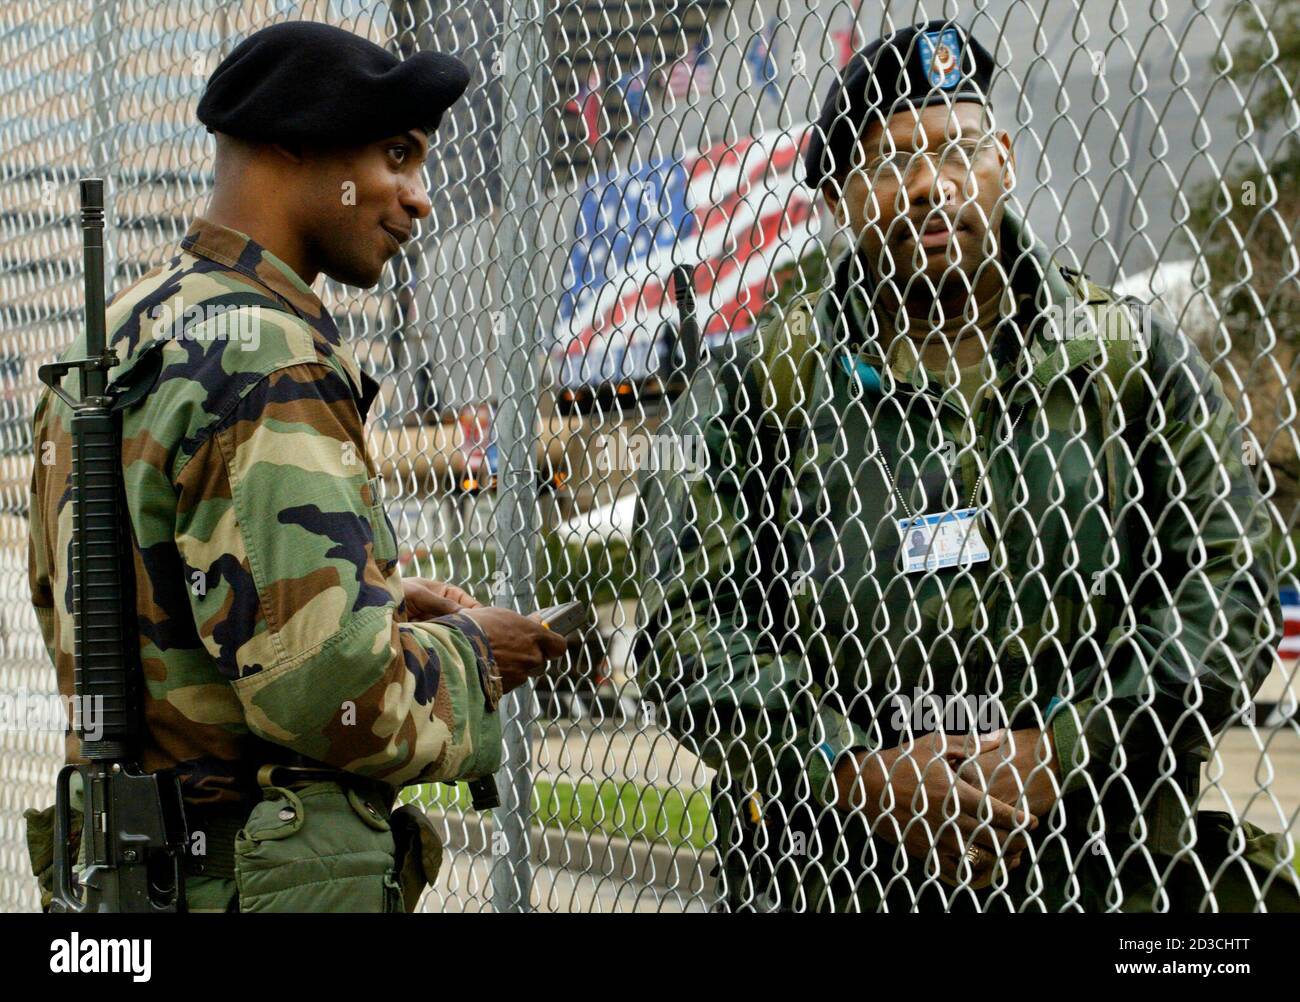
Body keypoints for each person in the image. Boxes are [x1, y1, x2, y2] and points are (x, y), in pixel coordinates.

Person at [636, 20, 1293, 911]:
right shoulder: (763, 383)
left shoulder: (1128, 360)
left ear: (1008, 159)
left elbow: (1230, 581)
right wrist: (851, 769)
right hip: (839, 869)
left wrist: (1067, 751)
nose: (930, 187)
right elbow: (684, 628)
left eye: (959, 148)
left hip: (1096, 857)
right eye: (889, 161)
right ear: (838, 196)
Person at [25, 20, 566, 912]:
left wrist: (379, 606)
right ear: (295, 141)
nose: (417, 197)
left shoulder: (118, 335)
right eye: (396, 156)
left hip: (121, 878)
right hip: (241, 879)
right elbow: (331, 695)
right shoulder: (268, 357)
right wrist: (474, 654)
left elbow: (131, 596)